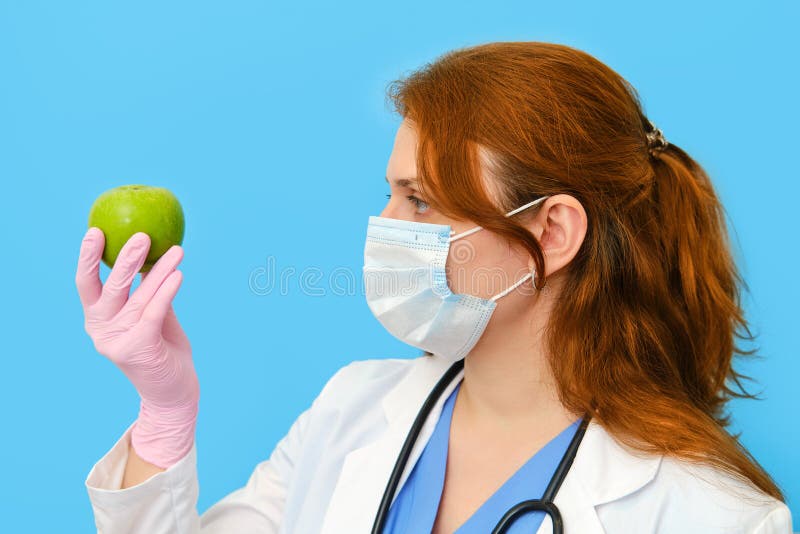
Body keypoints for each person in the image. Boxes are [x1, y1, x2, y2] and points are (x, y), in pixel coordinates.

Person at [77, 41, 793, 533]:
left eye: (420, 201)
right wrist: (164, 413)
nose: (384, 227)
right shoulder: (352, 409)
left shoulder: (712, 515)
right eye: (390, 195)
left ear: (552, 233)